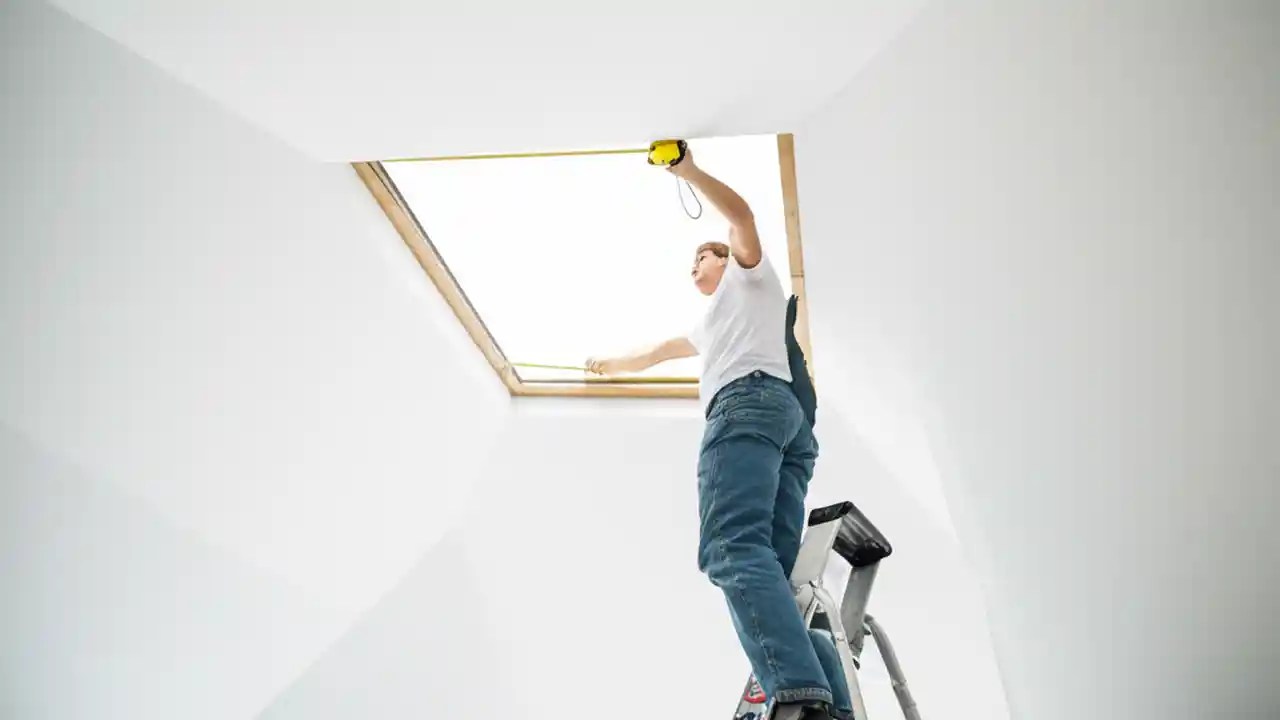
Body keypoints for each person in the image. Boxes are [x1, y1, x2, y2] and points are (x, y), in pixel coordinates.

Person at [584, 149, 851, 720]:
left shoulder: (749, 278)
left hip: (749, 408)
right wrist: (607, 363)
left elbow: (744, 218)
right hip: (786, 429)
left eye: (698, 257)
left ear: (719, 257)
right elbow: (656, 351)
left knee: (730, 547)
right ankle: (827, 700)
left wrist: (687, 172)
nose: (692, 268)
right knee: (778, 584)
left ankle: (802, 696)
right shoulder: (709, 324)